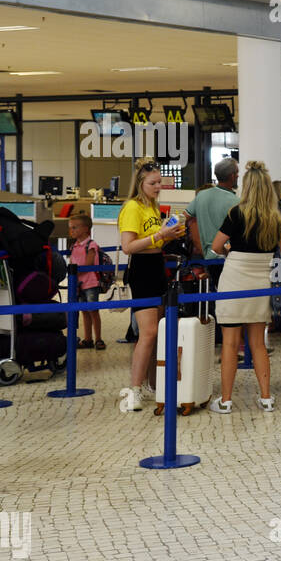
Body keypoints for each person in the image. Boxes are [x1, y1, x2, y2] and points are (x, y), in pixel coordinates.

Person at [208, 161, 281, 413]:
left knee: (230, 343)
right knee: (258, 343)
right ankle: (266, 398)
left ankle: (226, 400)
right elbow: (278, 250)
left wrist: (231, 249)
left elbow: (217, 247)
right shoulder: (275, 219)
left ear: (247, 187)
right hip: (261, 283)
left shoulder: (236, 213)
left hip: (234, 282)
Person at [117, 160, 187, 411]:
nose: (158, 187)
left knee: (157, 332)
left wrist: (171, 235)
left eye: (160, 183)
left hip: (157, 266)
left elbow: (155, 241)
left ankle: (151, 383)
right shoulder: (133, 208)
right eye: (153, 183)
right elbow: (129, 246)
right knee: (147, 333)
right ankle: (134, 389)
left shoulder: (153, 207)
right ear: (140, 184)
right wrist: (159, 236)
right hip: (142, 270)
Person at [186, 157, 239, 273]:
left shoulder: (201, 196)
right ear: (232, 176)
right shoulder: (236, 202)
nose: (238, 176)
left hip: (208, 258)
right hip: (227, 257)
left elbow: (183, 218)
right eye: (237, 173)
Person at [67, 213, 105, 350]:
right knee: (84, 311)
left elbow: (88, 264)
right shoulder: (74, 246)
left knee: (93, 311)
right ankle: (88, 339)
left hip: (90, 283)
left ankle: (99, 339)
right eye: (70, 228)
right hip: (79, 284)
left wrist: (72, 271)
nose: (71, 231)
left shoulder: (91, 245)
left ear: (85, 229)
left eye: (74, 228)